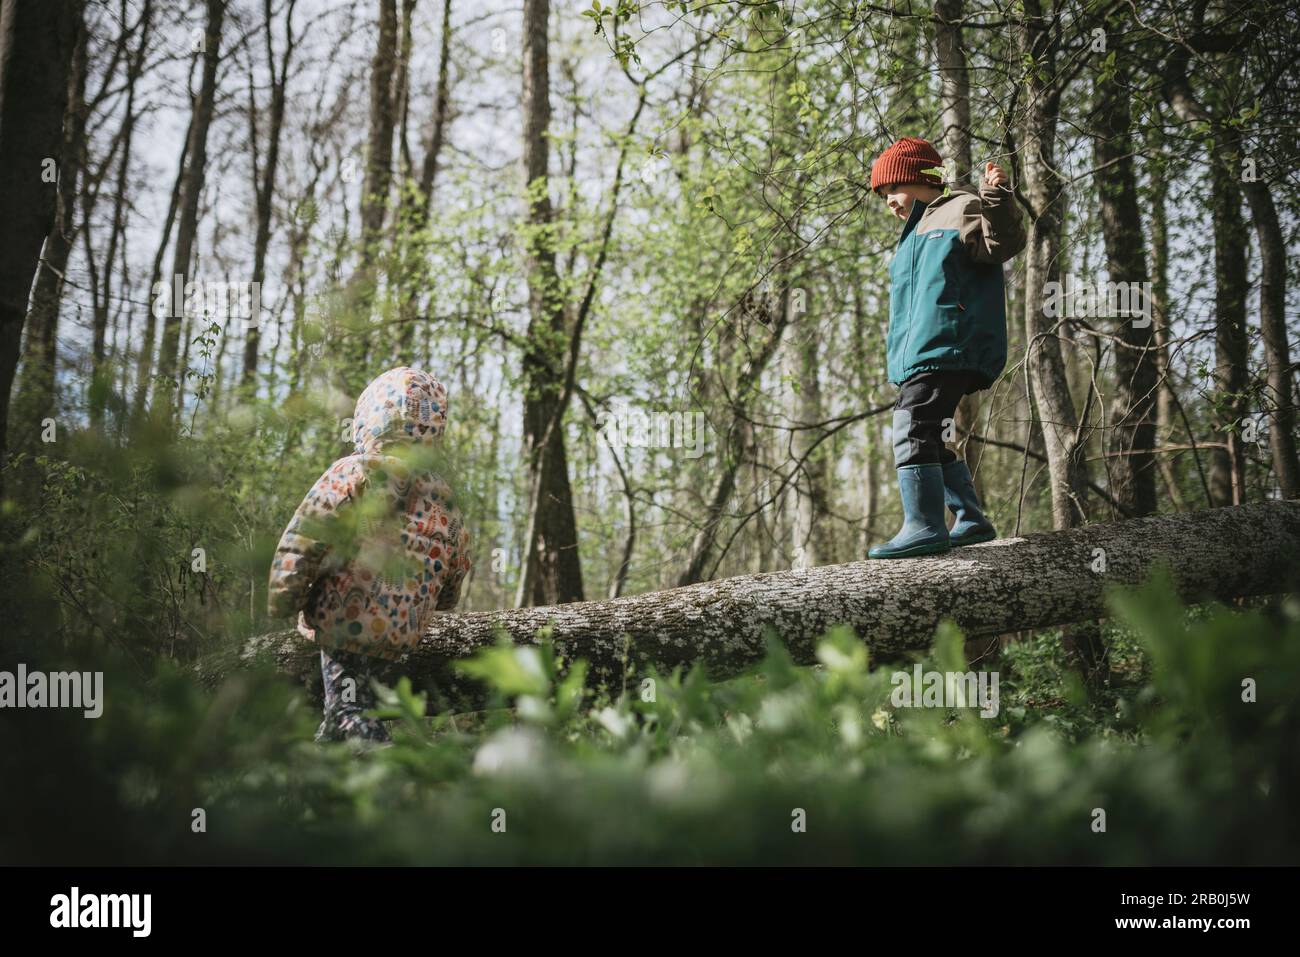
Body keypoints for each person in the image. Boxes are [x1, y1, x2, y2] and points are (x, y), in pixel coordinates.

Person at [267, 366, 472, 741]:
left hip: (344, 620)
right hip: (402, 631)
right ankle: (322, 784)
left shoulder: (354, 472)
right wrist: (440, 601)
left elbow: (307, 533)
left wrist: (285, 595)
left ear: (370, 418)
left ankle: (383, 758)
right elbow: (455, 559)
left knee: (350, 711)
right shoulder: (442, 496)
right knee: (342, 712)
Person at [868, 136, 1027, 559]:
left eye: (893, 189)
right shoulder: (912, 235)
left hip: (948, 345)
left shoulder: (961, 208)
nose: (889, 201)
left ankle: (923, 524)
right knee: (934, 434)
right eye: (883, 196)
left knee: (913, 425)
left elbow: (1002, 244)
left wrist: (996, 197)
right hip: (920, 354)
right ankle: (970, 518)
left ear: (920, 180)